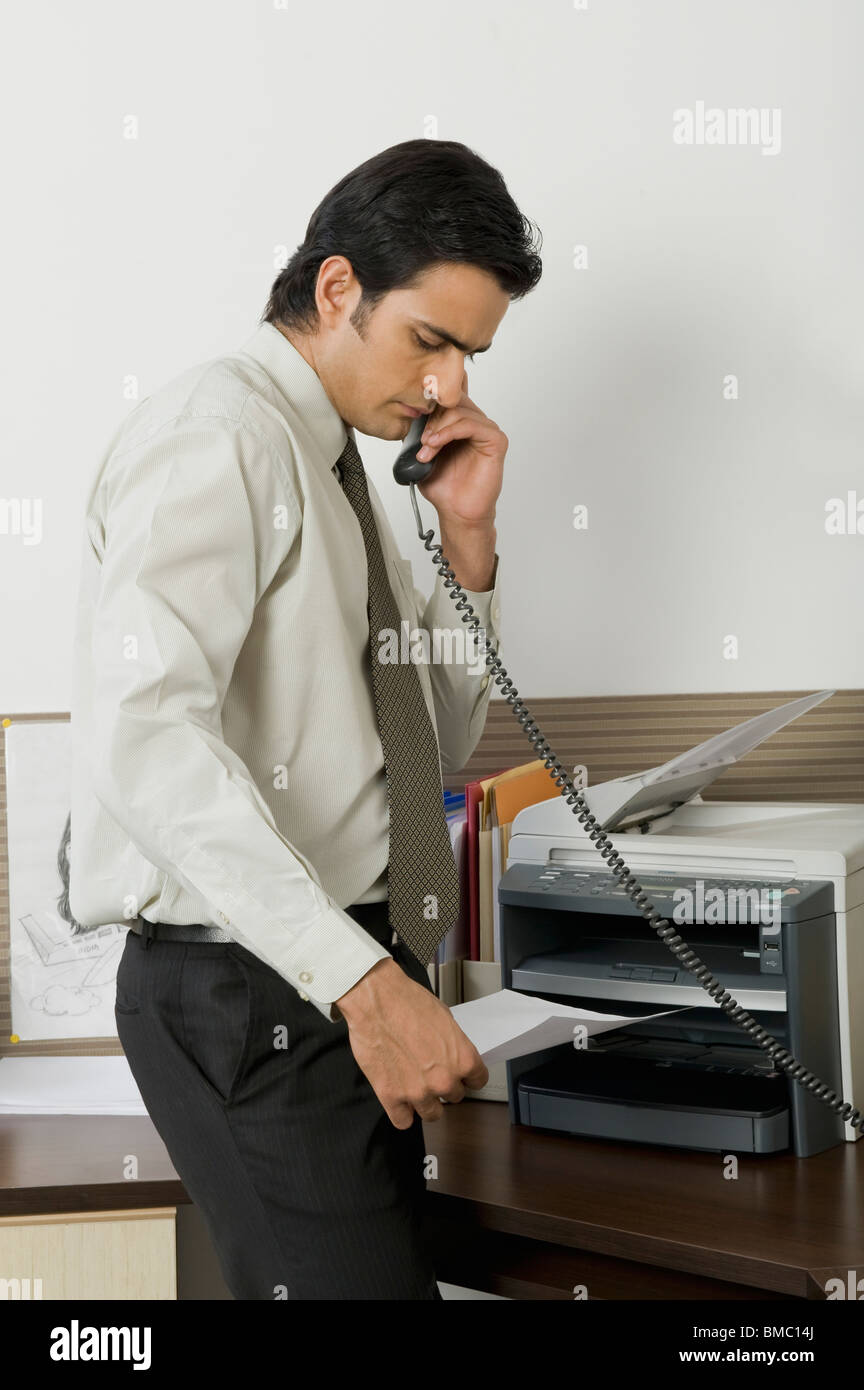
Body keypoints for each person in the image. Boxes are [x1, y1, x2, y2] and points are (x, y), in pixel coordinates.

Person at [69, 137, 542, 1299]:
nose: (448, 388)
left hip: (336, 967)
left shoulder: (338, 467)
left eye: (470, 357)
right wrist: (365, 986)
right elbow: (145, 736)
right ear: (339, 289)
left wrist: (468, 548)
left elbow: (429, 735)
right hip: (252, 985)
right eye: (431, 340)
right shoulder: (218, 435)